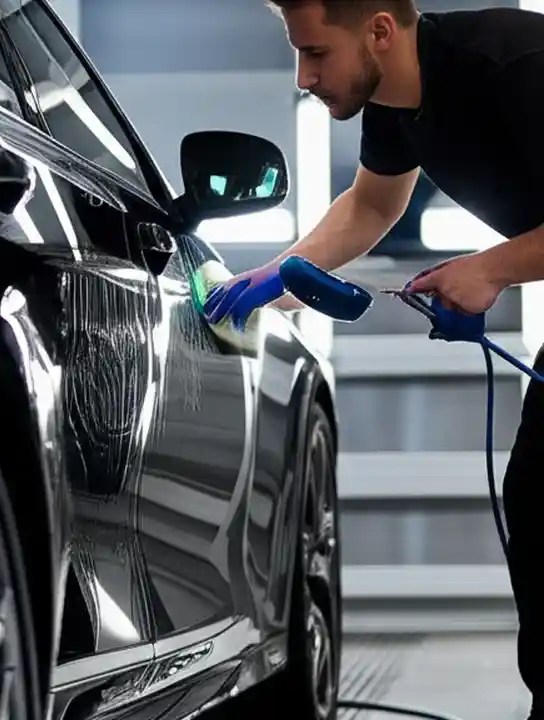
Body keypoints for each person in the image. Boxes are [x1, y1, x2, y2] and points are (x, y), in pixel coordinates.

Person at [206, 1, 544, 715]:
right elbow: (369, 206)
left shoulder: (512, 67)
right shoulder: (395, 103)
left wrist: (492, 268)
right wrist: (275, 276)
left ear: (380, 32)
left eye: (316, 54)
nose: (304, 76)